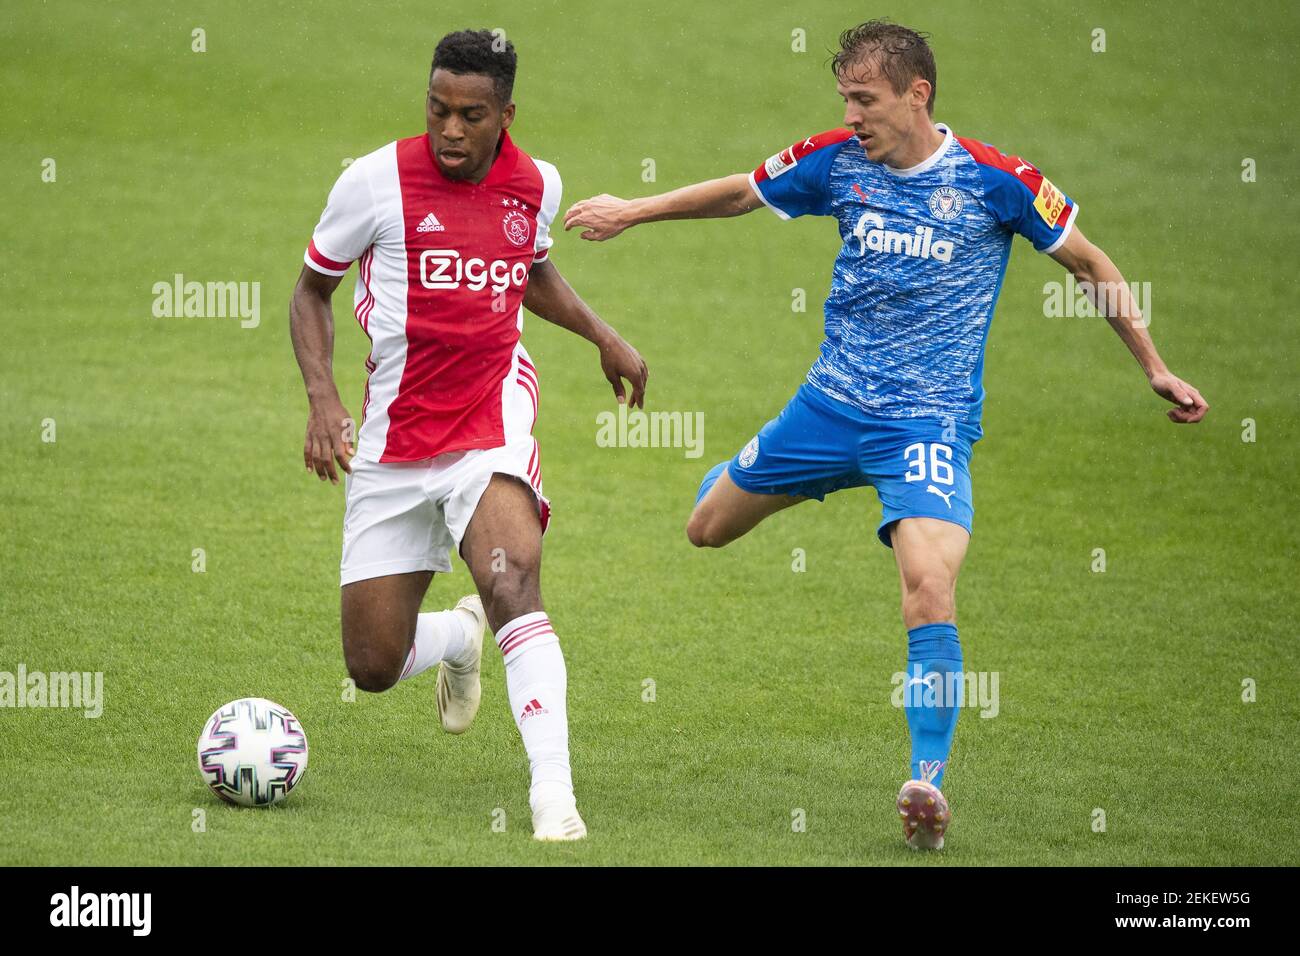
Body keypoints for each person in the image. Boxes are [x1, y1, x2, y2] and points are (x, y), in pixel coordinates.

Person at [564, 19, 1206, 849]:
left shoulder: (996, 180)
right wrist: (633, 211)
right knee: (705, 528)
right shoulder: (836, 160)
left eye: (864, 101)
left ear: (917, 94)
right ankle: (784, 474)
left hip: (927, 428)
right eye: (845, 99)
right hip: (827, 409)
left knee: (928, 587)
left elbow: (1089, 263)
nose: (852, 115)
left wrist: (1152, 363)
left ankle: (926, 788)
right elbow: (740, 192)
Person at [290, 29, 648, 841]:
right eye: (438, 109)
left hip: (489, 418)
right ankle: (457, 638)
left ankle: (553, 799)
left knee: (513, 579)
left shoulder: (537, 184)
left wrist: (603, 334)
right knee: (372, 666)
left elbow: (531, 269)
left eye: (471, 115)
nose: (450, 130)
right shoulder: (373, 182)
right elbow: (310, 292)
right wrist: (322, 401)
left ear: (506, 115)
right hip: (390, 437)